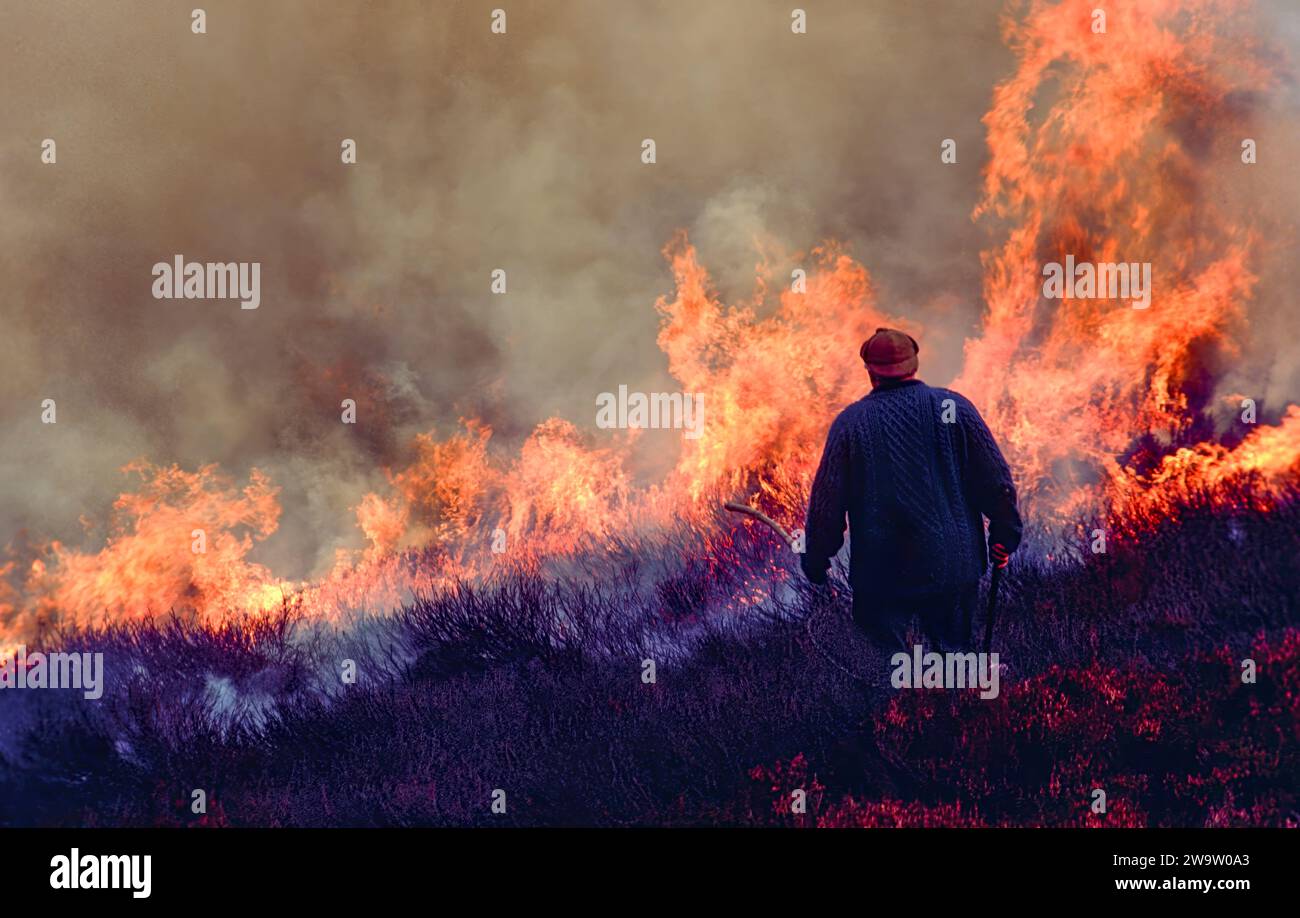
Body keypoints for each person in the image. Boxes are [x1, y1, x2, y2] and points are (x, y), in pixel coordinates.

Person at [800, 328, 1022, 652]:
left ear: (870, 371)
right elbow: (996, 483)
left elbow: (826, 508)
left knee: (888, 671)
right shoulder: (954, 408)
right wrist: (1005, 533)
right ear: (914, 364)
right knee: (954, 660)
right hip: (954, 566)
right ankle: (958, 701)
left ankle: (901, 700)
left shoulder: (851, 423)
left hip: (882, 576)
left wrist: (816, 560)